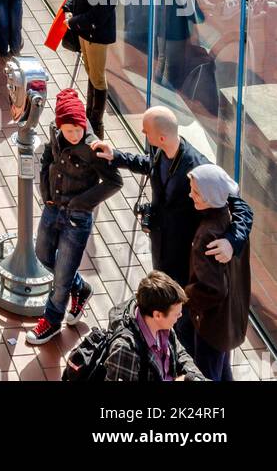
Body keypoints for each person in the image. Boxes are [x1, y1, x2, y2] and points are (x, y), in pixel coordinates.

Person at [91, 105, 254, 352]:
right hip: (162, 250)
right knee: (169, 311)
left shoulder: (199, 167)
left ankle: (180, 359)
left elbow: (240, 205)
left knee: (181, 317)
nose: (144, 134)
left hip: (184, 260)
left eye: (146, 132)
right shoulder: (162, 150)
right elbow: (150, 165)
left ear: (162, 137)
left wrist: (233, 241)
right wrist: (117, 156)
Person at [26, 87, 123, 345]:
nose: (72, 135)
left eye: (77, 130)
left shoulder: (93, 148)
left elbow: (115, 181)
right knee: (43, 255)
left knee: (61, 276)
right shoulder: (57, 133)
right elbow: (48, 156)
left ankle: (52, 320)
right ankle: (80, 287)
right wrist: (46, 191)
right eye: (68, 131)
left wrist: (82, 203)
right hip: (53, 207)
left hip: (76, 220)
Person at [186, 164, 252, 381]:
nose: (190, 195)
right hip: (228, 319)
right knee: (222, 369)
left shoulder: (207, 235)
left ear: (211, 197)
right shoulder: (229, 219)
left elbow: (213, 289)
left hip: (212, 325)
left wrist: (184, 296)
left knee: (207, 373)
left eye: (196, 193)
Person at [65, 0, 128, 139]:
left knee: (98, 77)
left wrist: (74, 22)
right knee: (90, 70)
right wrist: (68, 7)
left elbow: (101, 13)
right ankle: (89, 111)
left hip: (95, 33)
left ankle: (96, 120)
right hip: (84, 29)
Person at [102, 271, 205, 382]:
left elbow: (179, 353)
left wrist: (196, 377)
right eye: (176, 314)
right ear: (157, 315)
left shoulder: (160, 321)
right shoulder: (125, 350)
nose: (180, 316)